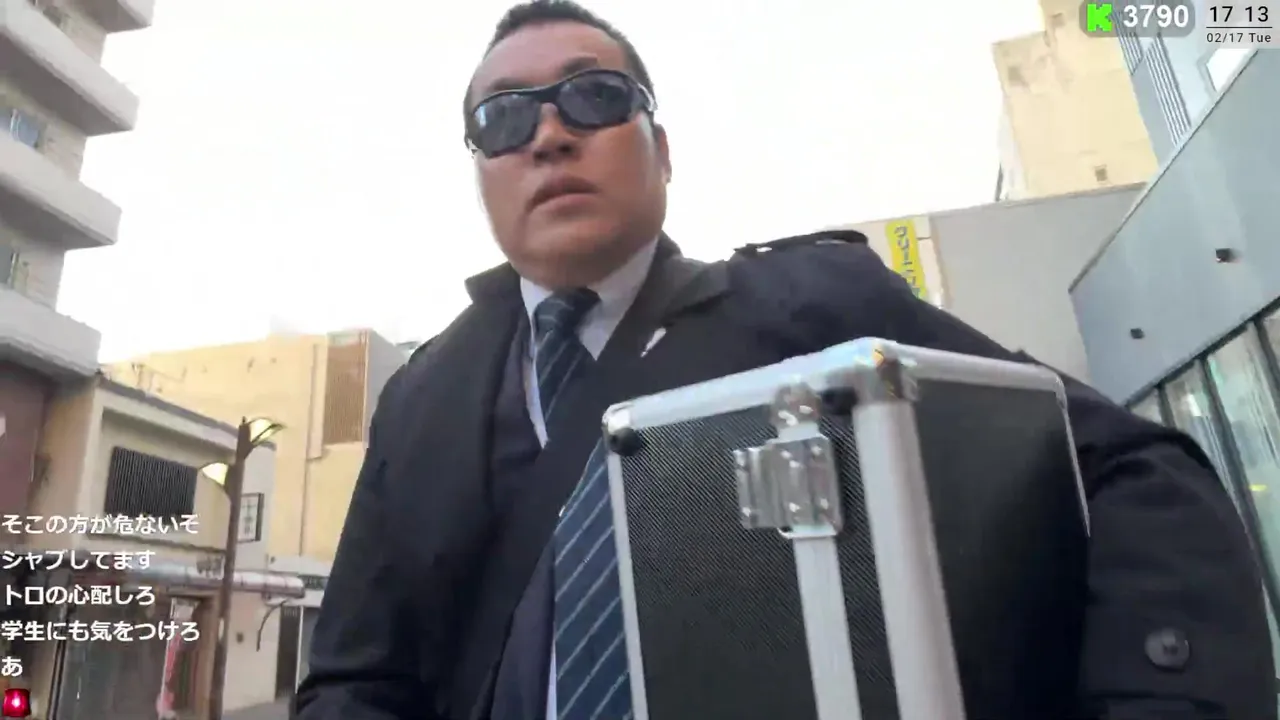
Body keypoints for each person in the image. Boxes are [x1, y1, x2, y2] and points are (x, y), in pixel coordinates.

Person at [292, 2, 1275, 719]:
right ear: (480, 173)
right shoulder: (423, 397)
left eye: (593, 97)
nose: (549, 134)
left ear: (661, 150)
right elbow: (355, 676)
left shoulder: (814, 307)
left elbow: (1131, 471)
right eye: (505, 117)